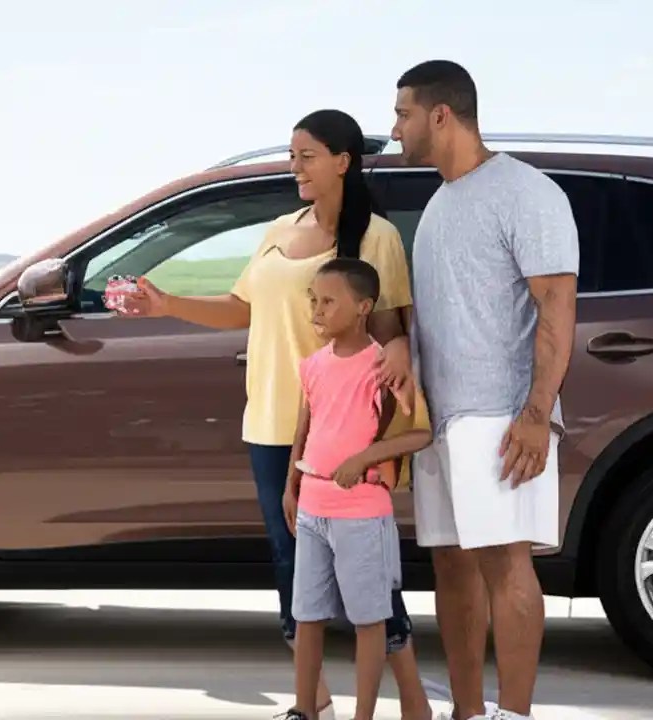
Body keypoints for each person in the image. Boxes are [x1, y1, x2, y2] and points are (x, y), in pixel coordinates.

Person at [120, 109, 432, 720]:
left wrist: (397, 362)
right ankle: (311, 706)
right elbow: (242, 310)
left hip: (343, 434)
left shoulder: (377, 239)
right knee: (292, 566)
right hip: (270, 426)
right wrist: (165, 304)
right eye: (292, 156)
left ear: (343, 160)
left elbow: (393, 330)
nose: (296, 167)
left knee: (366, 577)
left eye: (307, 155)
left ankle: (413, 703)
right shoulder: (278, 230)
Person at [391, 60, 579, 720]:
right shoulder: (443, 203)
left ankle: (513, 714)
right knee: (451, 564)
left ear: (441, 114)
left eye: (403, 114)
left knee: (505, 561)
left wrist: (535, 414)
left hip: (502, 414)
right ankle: (468, 712)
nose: (395, 130)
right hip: (443, 420)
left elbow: (556, 306)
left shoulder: (525, 192)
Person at [283, 258, 434, 720]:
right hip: (312, 509)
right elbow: (303, 432)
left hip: (363, 514)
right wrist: (291, 487)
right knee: (307, 617)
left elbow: (421, 432)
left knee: (370, 620)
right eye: (314, 300)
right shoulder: (312, 366)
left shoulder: (382, 366)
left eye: (329, 301)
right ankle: (305, 711)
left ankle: (362, 715)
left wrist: (364, 459)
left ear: (364, 307)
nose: (318, 309)